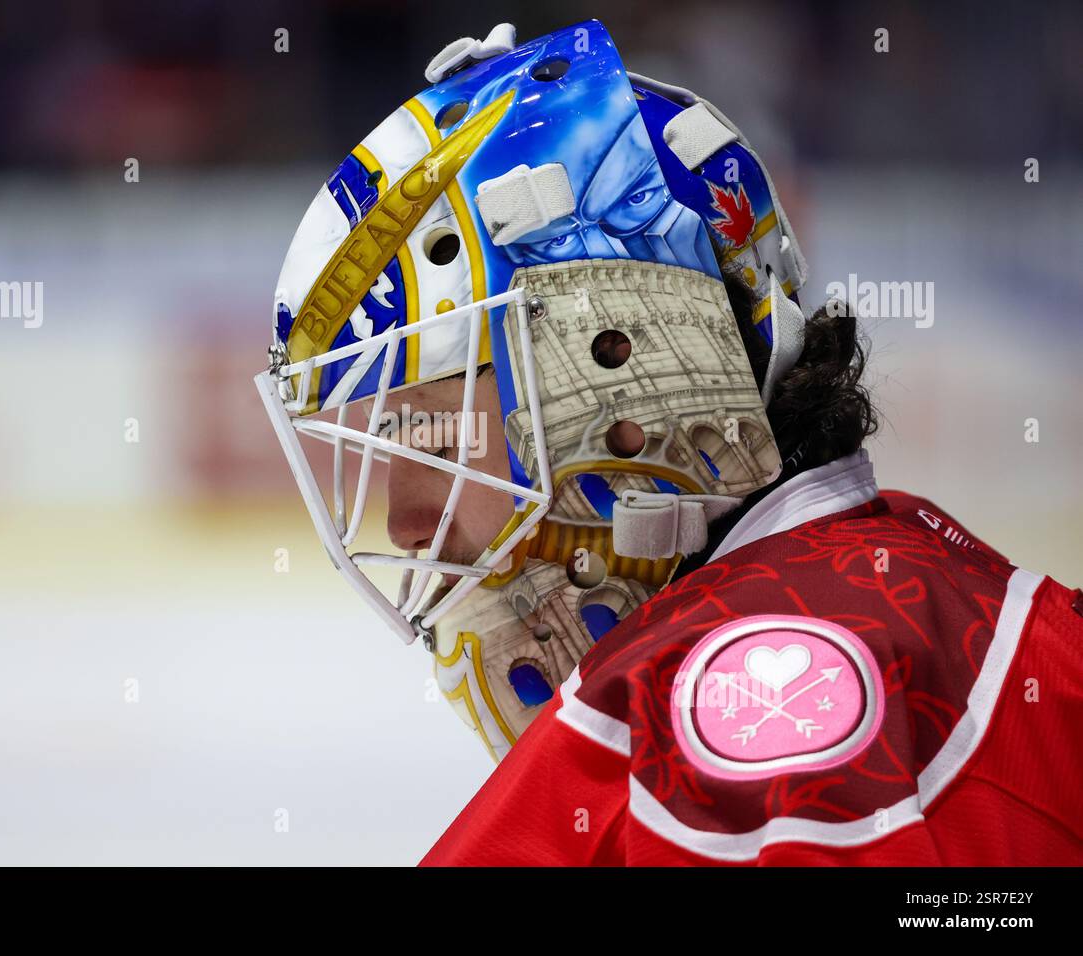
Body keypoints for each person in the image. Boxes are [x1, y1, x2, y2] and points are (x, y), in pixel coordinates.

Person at [254, 20, 1083, 865]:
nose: (405, 524)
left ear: (625, 373)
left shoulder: (706, 748)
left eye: (431, 431)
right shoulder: (1015, 622)